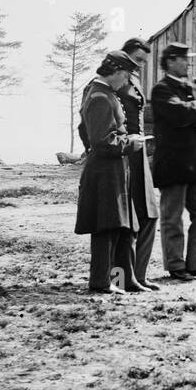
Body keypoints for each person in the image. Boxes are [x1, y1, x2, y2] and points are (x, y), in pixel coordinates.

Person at [75, 50, 149, 293]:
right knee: (106, 227)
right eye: (126, 76)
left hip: (115, 169)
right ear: (116, 72)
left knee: (123, 226)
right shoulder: (99, 97)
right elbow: (102, 140)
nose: (127, 82)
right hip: (105, 172)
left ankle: (125, 279)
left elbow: (87, 131)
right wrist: (131, 143)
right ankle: (100, 282)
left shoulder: (106, 94)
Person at [152, 41, 196, 281]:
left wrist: (195, 111)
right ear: (170, 61)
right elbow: (179, 114)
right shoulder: (161, 89)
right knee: (172, 217)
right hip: (173, 165)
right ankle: (176, 265)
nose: (187, 62)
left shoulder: (189, 88)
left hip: (195, 166)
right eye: (183, 58)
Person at [117, 37, 160, 291]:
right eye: (137, 59)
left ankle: (139, 276)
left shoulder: (133, 81)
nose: (141, 65)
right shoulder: (114, 82)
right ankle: (121, 278)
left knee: (149, 215)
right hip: (123, 154)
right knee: (126, 220)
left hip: (139, 153)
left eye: (144, 61)